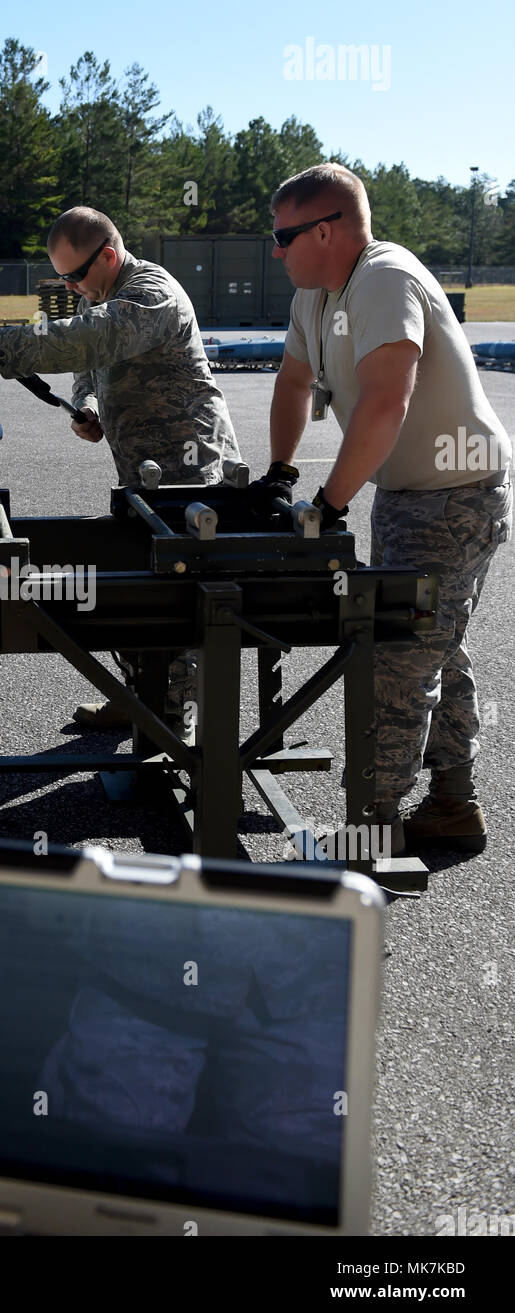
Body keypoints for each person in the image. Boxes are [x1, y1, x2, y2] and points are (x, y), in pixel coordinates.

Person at [258, 163, 511, 854]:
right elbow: (291, 381)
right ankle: (451, 805)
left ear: (325, 230)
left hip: (456, 494)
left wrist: (326, 504)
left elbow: (383, 401)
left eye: (283, 236)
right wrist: (280, 476)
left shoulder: (381, 278)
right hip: (406, 494)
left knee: (398, 657)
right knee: (435, 645)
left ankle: (372, 831)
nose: (274, 251)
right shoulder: (317, 295)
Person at [0, 206, 241, 733]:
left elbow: (87, 339)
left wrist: (6, 341)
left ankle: (172, 725)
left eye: (75, 275)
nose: (69, 288)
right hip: (144, 469)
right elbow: (91, 365)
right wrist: (88, 405)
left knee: (179, 588)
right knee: (138, 575)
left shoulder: (150, 292)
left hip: (190, 467)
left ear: (109, 256)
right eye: (61, 278)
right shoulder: (107, 294)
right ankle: (138, 696)